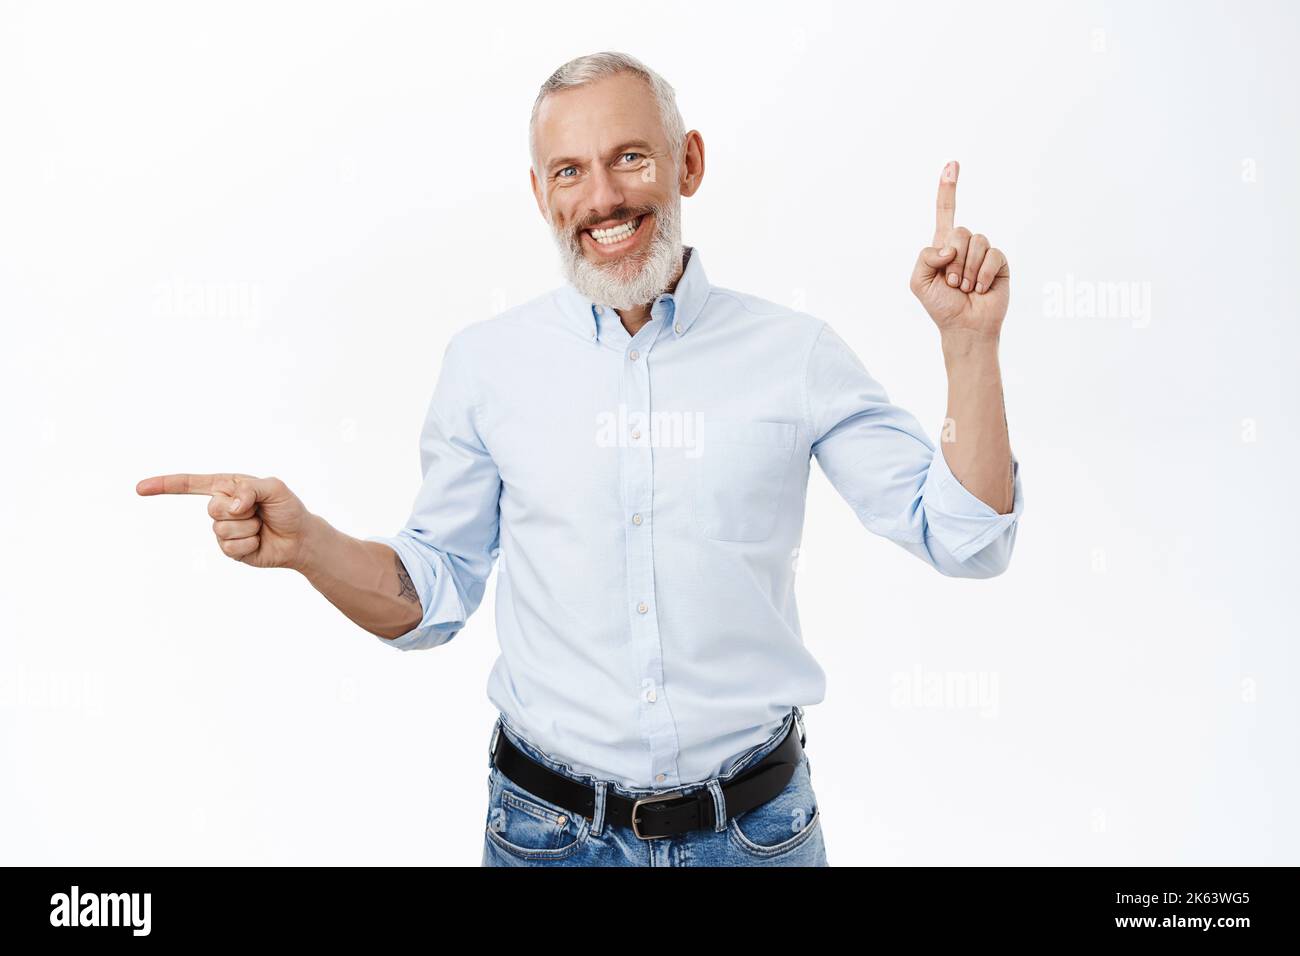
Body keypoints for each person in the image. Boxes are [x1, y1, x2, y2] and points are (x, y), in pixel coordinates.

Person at [136, 51, 1024, 866]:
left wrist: (968, 348)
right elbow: (434, 593)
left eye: (630, 158)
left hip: (758, 837)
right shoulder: (486, 366)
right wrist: (307, 546)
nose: (602, 198)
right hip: (545, 839)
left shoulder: (793, 355)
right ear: (541, 194)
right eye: (570, 171)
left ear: (690, 164)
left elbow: (966, 539)